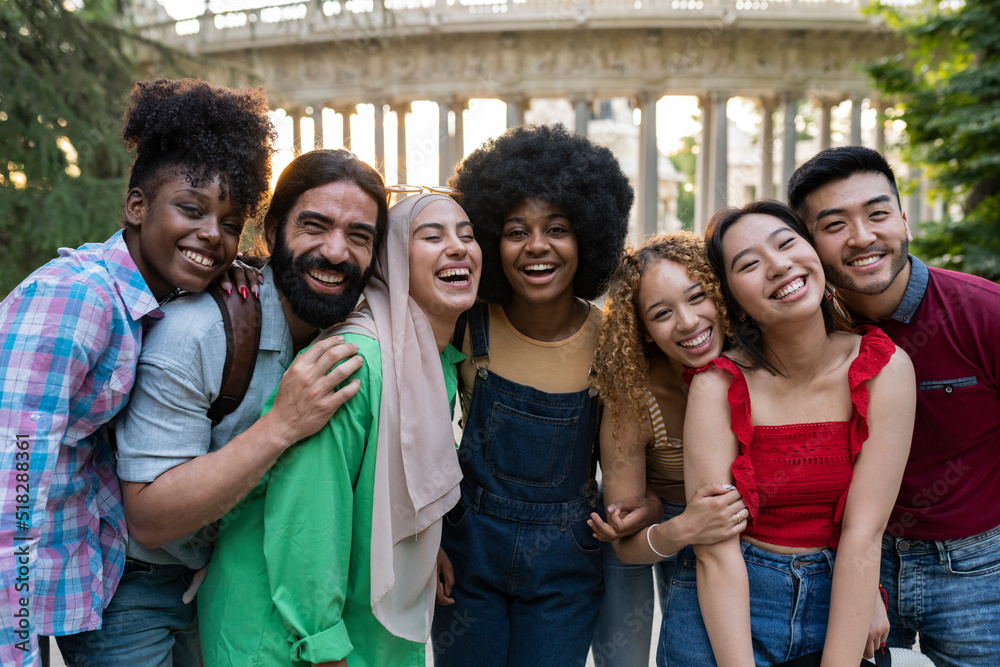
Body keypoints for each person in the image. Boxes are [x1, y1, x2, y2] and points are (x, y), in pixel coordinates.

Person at [51, 149, 386, 666]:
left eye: (359, 237)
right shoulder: (197, 334)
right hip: (135, 589)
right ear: (272, 233)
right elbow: (150, 518)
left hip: (220, 581)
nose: (336, 251)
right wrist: (281, 426)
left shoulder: (340, 331)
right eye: (314, 226)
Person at [0, 78, 274, 666]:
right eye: (192, 209)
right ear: (137, 205)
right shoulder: (76, 299)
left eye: (230, 223)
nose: (212, 234)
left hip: (88, 574)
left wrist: (232, 267)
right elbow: (11, 485)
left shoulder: (154, 296)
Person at [198, 191, 481, 666]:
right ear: (390, 260)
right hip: (284, 633)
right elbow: (307, 516)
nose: (458, 248)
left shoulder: (436, 363)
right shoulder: (351, 361)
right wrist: (322, 643)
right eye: (432, 237)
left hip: (364, 629)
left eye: (467, 236)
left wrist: (415, 545)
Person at [660, 200, 916, 666]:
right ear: (732, 298)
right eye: (750, 264)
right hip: (724, 606)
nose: (778, 266)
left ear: (814, 254)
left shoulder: (884, 369)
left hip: (839, 597)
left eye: (786, 244)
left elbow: (864, 535)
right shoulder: (717, 385)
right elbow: (715, 551)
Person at [788, 146, 1000, 667]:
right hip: (852, 566)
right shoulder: (800, 334)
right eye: (834, 224)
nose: (862, 237)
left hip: (979, 571)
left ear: (904, 222)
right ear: (808, 244)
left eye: (877, 214)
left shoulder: (985, 314)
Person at [430, 124, 632, 667]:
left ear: (589, 236)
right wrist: (425, 543)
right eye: (516, 229)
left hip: (565, 567)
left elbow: (626, 473)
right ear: (491, 239)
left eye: (557, 228)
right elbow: (416, 436)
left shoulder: (613, 339)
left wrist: (644, 508)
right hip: (466, 556)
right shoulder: (464, 325)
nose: (537, 246)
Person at [587, 232, 749, 666]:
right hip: (658, 525)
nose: (688, 322)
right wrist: (665, 517)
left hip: (728, 522)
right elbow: (625, 537)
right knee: (623, 654)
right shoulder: (633, 393)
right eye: (662, 314)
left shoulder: (759, 361)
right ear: (641, 330)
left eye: (698, 297)